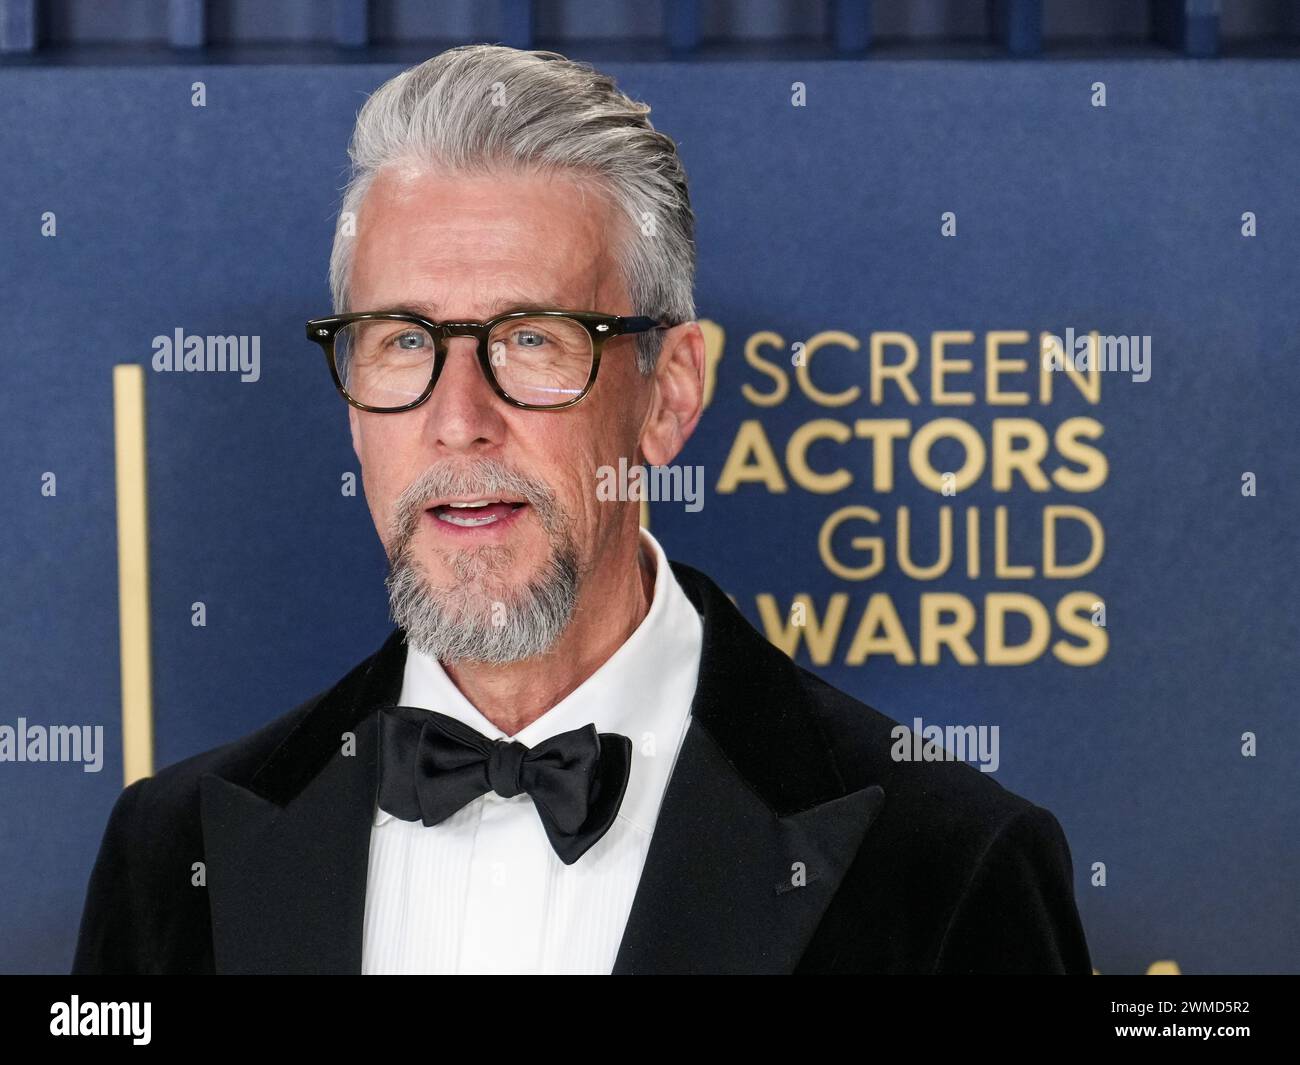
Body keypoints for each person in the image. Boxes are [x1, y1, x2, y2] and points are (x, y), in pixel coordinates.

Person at [72, 44, 1091, 975]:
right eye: (403, 343)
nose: (457, 421)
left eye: (531, 340)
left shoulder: (948, 869)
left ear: (668, 393)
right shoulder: (173, 859)